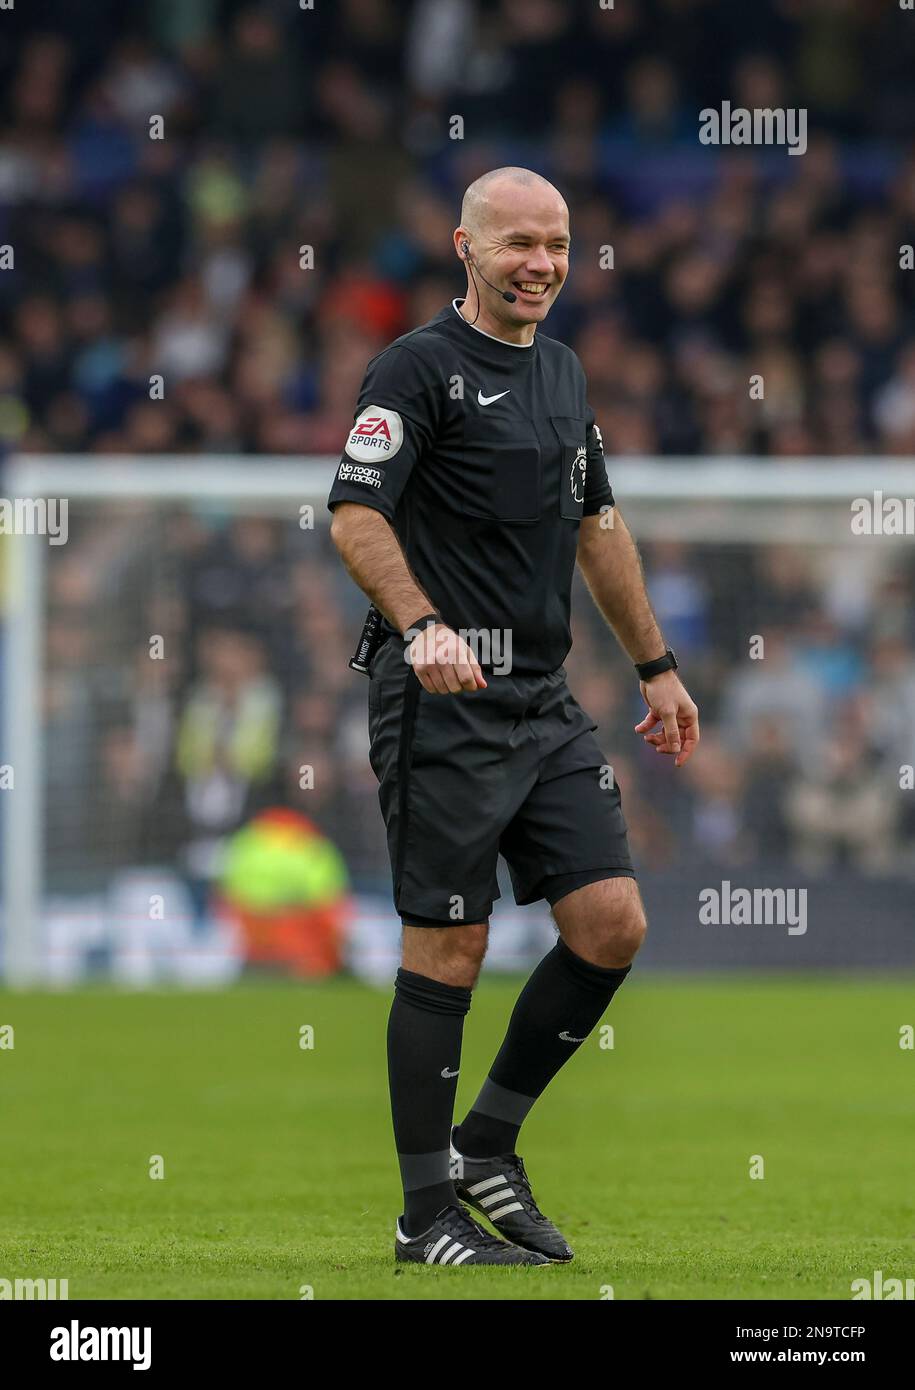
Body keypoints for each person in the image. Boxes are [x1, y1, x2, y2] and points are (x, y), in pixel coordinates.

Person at [328, 167, 700, 1268]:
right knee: (452, 942)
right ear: (465, 247)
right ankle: (423, 1216)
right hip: (439, 701)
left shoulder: (564, 374)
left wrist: (657, 666)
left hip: (542, 700)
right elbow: (354, 513)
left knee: (613, 922)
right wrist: (422, 623)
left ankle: (486, 1144)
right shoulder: (416, 367)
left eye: (558, 243)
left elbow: (599, 526)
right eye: (518, 243)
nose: (541, 262)